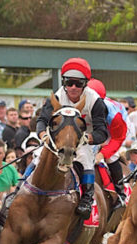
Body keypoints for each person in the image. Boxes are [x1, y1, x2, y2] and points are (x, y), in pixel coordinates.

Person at [36, 57, 108, 217]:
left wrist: (86, 138)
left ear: (85, 84)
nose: (73, 87)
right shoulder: (56, 97)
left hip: (83, 138)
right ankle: (21, 187)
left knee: (85, 156)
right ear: (64, 83)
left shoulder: (95, 101)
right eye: (69, 83)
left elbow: (102, 132)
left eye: (78, 83)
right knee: (37, 156)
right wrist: (43, 135)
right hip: (58, 138)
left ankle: (87, 199)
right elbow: (42, 120)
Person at [87, 78, 129, 208]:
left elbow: (117, 139)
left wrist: (102, 154)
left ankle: (120, 192)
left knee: (111, 157)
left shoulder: (114, 116)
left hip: (114, 130)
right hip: (94, 128)